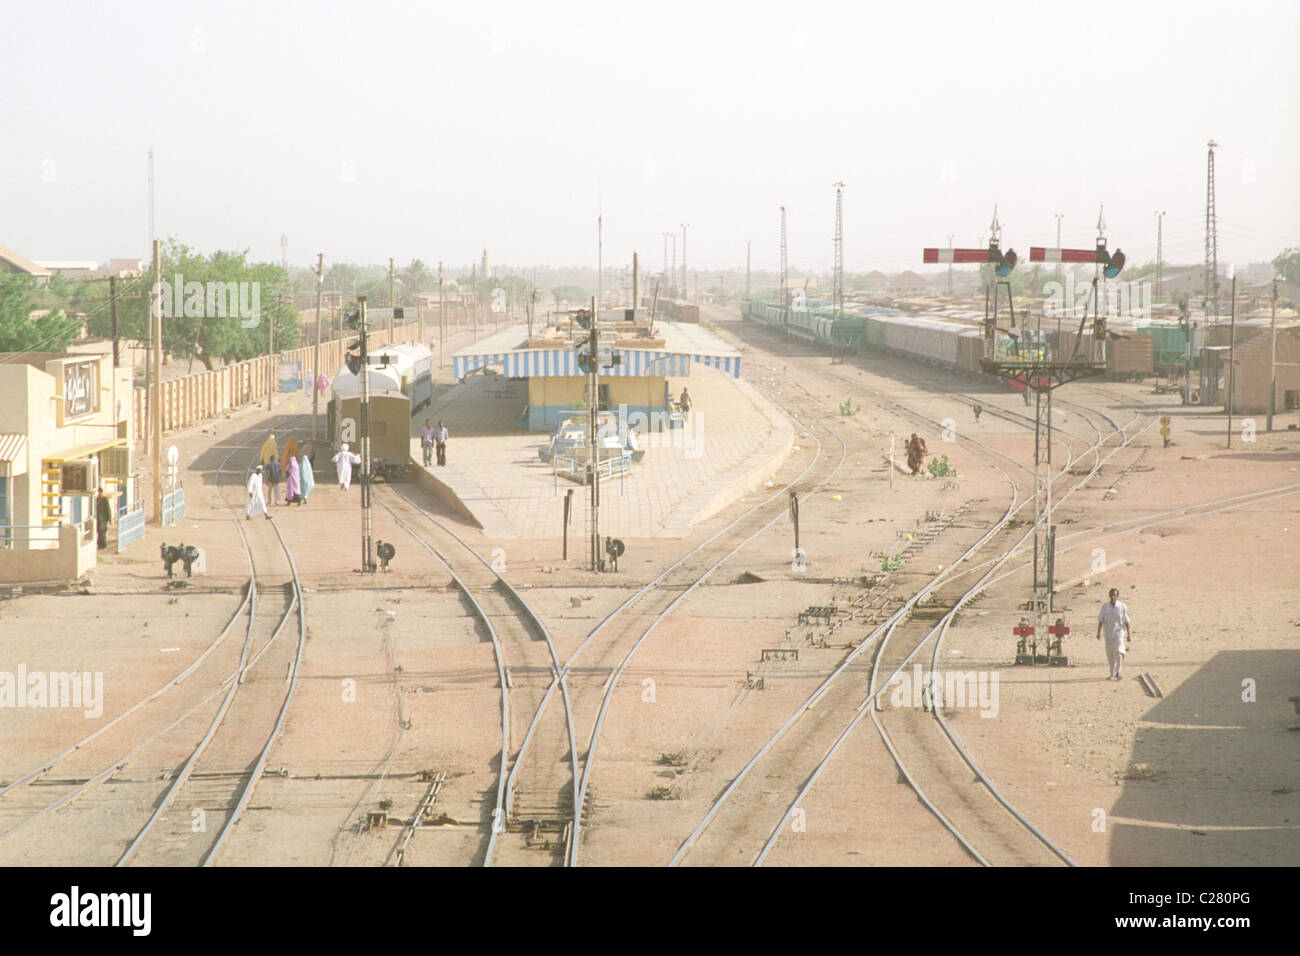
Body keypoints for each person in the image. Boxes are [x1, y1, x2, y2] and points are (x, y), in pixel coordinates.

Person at [1095, 587, 1133, 680]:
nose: (1113, 597)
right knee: (1110, 655)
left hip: (1118, 633)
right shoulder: (1105, 607)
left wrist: (1129, 634)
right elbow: (1101, 620)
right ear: (1109, 596)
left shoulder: (1122, 607)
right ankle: (1112, 673)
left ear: (1117, 596)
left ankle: (1118, 673)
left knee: (1119, 652)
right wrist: (1098, 632)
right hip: (1108, 634)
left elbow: (1126, 621)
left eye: (1115, 595)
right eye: (1111, 595)